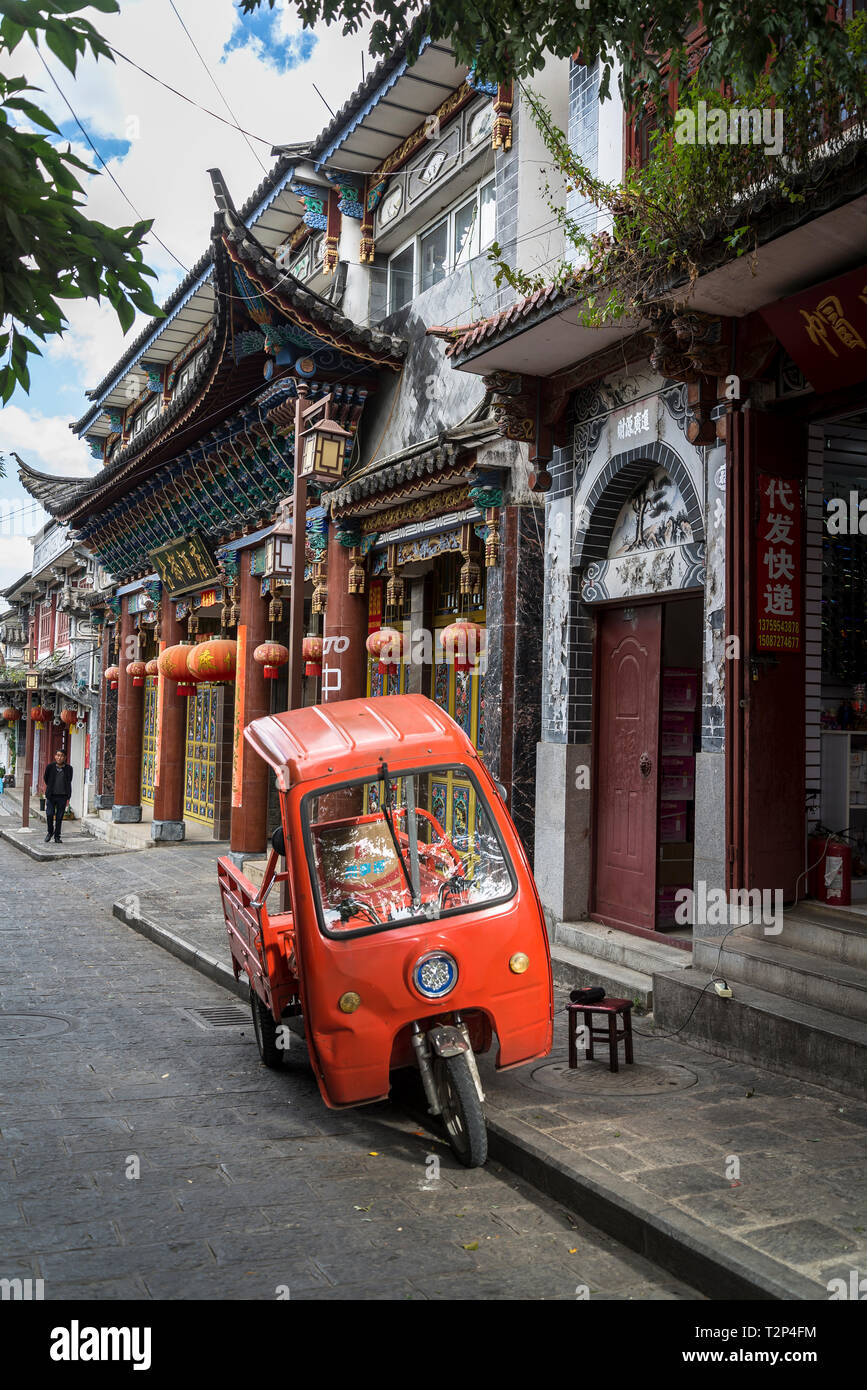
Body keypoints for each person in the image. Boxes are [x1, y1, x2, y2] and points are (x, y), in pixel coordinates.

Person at [44, 749, 73, 844]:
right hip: (51, 795)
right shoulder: (50, 767)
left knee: (59, 817)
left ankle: (57, 836)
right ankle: (50, 832)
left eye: (61, 756)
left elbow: (69, 780)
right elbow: (46, 779)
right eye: (58, 755)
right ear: (55, 756)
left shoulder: (69, 768)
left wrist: (67, 794)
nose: (59, 757)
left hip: (63, 796)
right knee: (49, 814)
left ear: (65, 757)